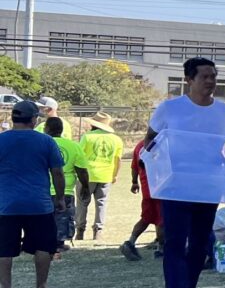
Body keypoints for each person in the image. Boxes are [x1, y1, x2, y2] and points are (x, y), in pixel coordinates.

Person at [145, 58, 225, 288]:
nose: (210, 82)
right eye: (205, 77)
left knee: (200, 242)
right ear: (188, 79)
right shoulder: (170, 108)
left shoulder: (224, 112)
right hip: (175, 187)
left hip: (207, 186)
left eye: (213, 76)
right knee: (175, 240)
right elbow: (150, 139)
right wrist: (157, 166)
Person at [0, 101, 66, 288]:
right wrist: (60, 198)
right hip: (39, 204)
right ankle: (41, 287)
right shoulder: (46, 141)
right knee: (44, 246)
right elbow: (57, 172)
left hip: (6, 204)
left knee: (4, 248)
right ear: (33, 119)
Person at [76, 112, 123, 242]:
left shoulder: (87, 137)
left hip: (87, 175)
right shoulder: (117, 139)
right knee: (101, 203)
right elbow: (118, 160)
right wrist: (115, 175)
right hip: (106, 175)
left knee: (82, 203)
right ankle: (98, 231)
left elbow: (79, 156)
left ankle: (80, 231)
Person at [44, 116, 88, 252]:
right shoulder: (73, 146)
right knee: (63, 216)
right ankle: (59, 243)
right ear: (62, 130)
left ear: (46, 129)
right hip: (65, 189)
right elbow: (81, 170)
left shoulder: (42, 143)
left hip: (43, 188)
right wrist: (85, 186)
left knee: (44, 218)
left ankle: (43, 241)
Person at [121, 136, 163, 261]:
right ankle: (161, 249)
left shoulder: (140, 145)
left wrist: (134, 182)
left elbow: (134, 166)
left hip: (146, 189)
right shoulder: (162, 144)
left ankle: (130, 242)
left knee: (146, 218)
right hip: (160, 187)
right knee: (162, 220)